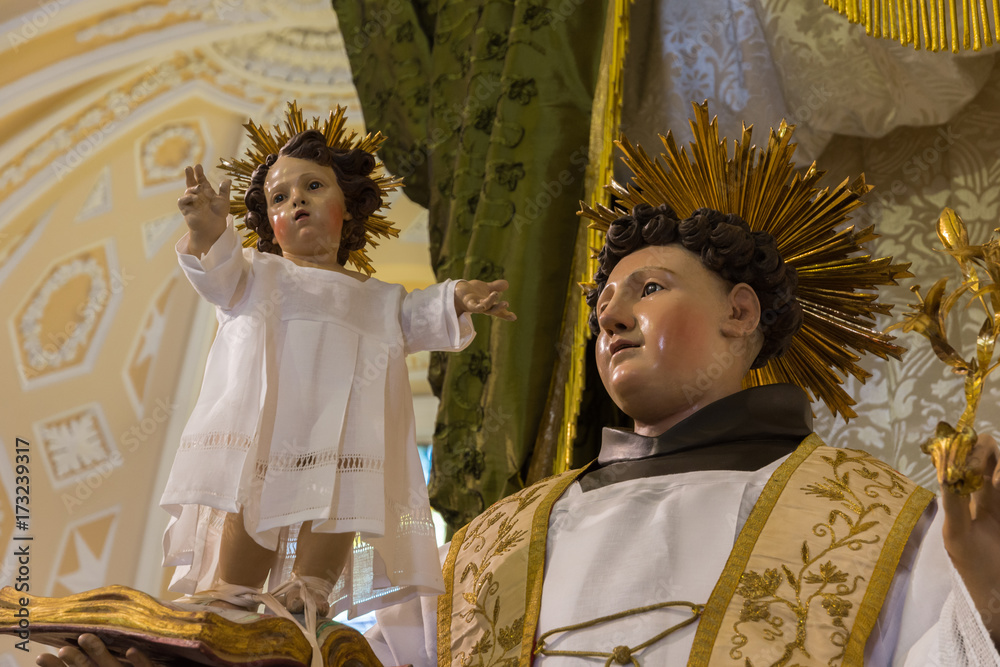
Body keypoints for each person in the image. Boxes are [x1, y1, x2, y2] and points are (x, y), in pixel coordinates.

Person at [160, 110, 516, 622]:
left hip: (343, 434)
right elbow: (217, 277)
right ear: (266, 221)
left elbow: (418, 314)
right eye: (278, 198)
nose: (296, 200)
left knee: (342, 498)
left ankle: (309, 593)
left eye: (312, 186)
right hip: (270, 428)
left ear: (348, 206)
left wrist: (460, 295)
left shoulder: (376, 301)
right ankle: (227, 599)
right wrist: (209, 232)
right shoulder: (258, 276)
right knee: (252, 504)